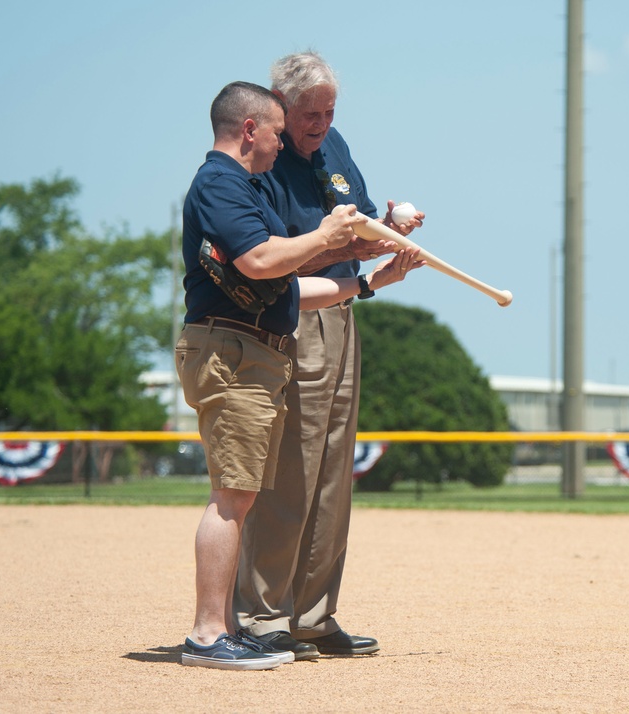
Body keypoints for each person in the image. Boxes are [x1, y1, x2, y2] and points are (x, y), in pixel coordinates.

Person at [177, 80, 422, 670]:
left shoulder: (241, 185)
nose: (290, 139)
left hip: (257, 342)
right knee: (235, 496)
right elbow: (263, 262)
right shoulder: (222, 182)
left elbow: (284, 285)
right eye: (284, 127)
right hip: (234, 347)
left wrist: (367, 282)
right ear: (254, 128)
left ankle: (254, 625)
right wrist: (326, 238)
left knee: (245, 491)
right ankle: (214, 633)